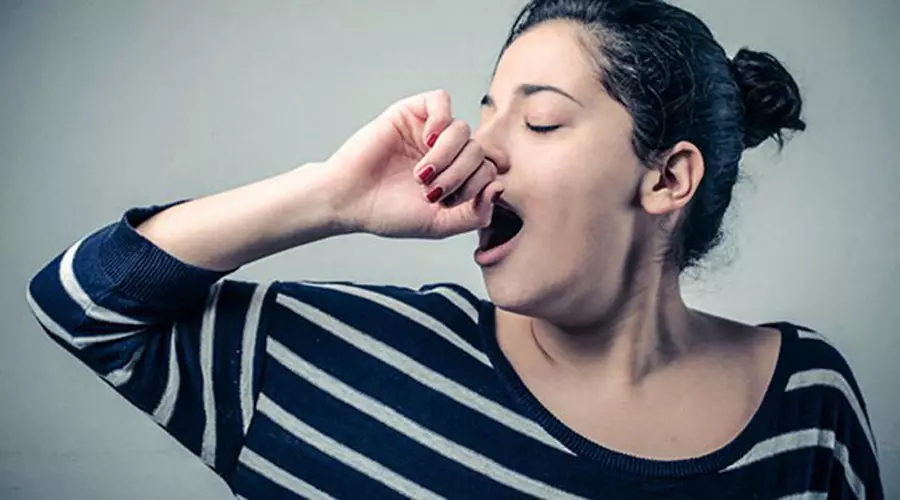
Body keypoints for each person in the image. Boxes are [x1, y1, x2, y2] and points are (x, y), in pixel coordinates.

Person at [26, 0, 882, 498]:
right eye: (490, 107)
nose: (482, 143)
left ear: (666, 179)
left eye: (540, 119)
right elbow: (84, 305)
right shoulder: (349, 366)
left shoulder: (805, 403)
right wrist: (329, 195)